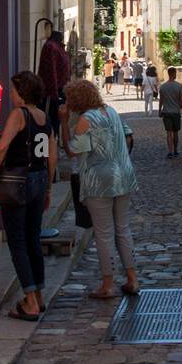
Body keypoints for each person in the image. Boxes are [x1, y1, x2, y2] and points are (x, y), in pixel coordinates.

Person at [64, 79, 140, 300]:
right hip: (123, 175)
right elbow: (129, 135)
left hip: (100, 181)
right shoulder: (112, 111)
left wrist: (63, 121)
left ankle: (108, 284)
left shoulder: (86, 120)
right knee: (123, 229)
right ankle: (132, 278)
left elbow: (73, 151)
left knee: (104, 233)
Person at [0, 71, 56, 321]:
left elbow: (2, 146)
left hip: (17, 181)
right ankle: (39, 295)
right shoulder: (43, 118)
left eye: (13, 90)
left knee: (18, 241)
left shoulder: (18, 115)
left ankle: (30, 301)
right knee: (33, 239)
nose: (10, 94)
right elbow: (51, 155)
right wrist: (49, 187)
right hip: (39, 179)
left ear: (22, 93)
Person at [37, 29, 70, 141]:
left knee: (56, 121)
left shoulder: (57, 47)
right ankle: (44, 151)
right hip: (52, 92)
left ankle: (51, 148)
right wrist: (54, 93)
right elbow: (51, 72)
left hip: (59, 90)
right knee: (48, 121)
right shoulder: (51, 47)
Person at [158, 66, 182, 158]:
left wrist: (159, 110)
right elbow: (181, 101)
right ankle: (175, 150)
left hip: (166, 112)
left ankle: (170, 151)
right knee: (176, 132)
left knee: (169, 133)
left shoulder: (163, 87)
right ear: (174, 74)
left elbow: (161, 100)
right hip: (175, 112)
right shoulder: (179, 86)